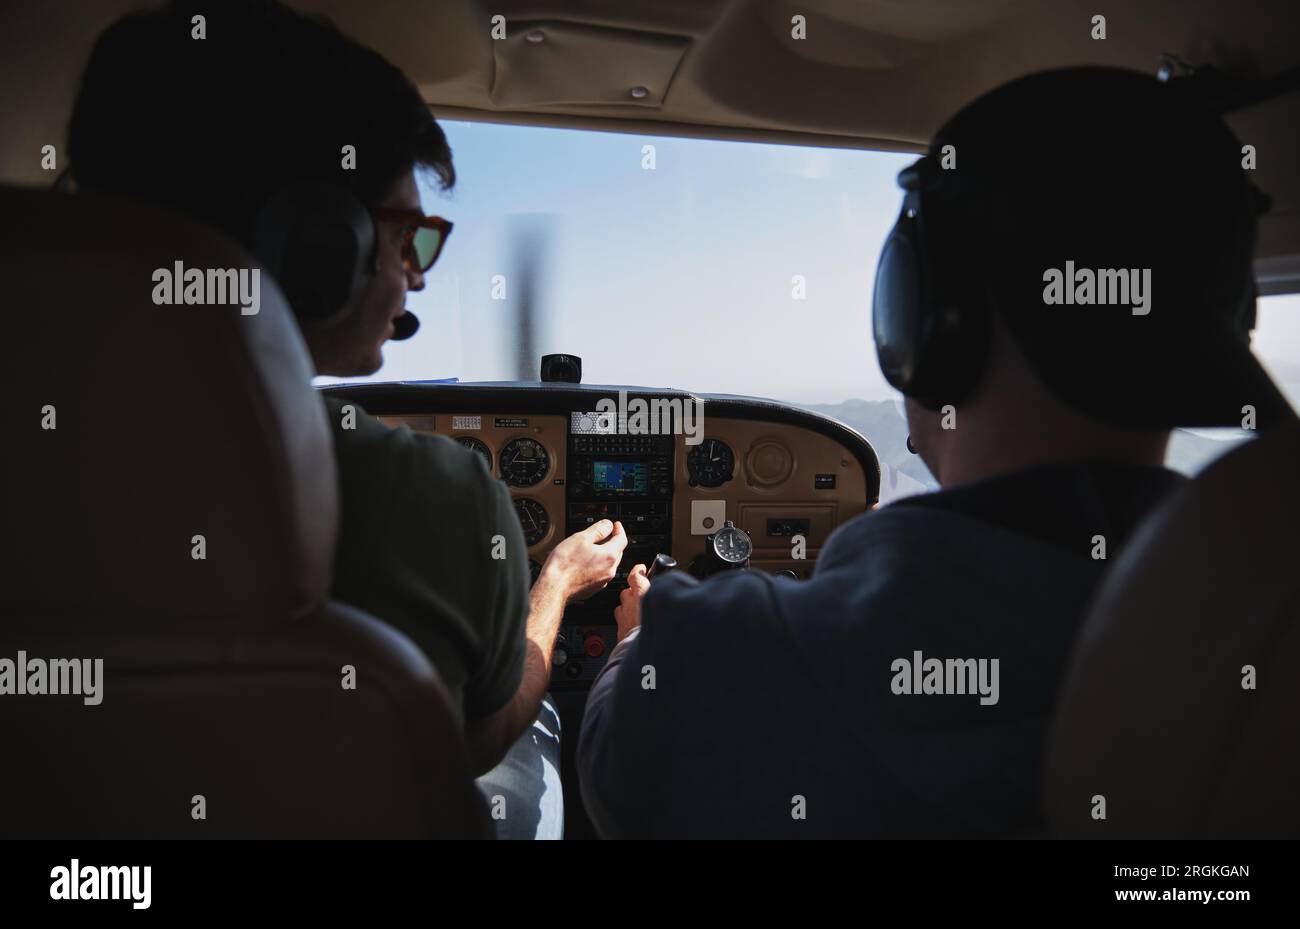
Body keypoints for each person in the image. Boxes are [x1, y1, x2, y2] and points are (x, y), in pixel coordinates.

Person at [577, 67, 1296, 838]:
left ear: (917, 314)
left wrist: (636, 637)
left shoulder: (749, 654)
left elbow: (617, 777)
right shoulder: (1258, 619)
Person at [66, 0, 627, 838]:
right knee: (536, 726)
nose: (419, 280)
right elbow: (469, 736)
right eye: (408, 241)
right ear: (317, 243)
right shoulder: (429, 487)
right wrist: (554, 587)